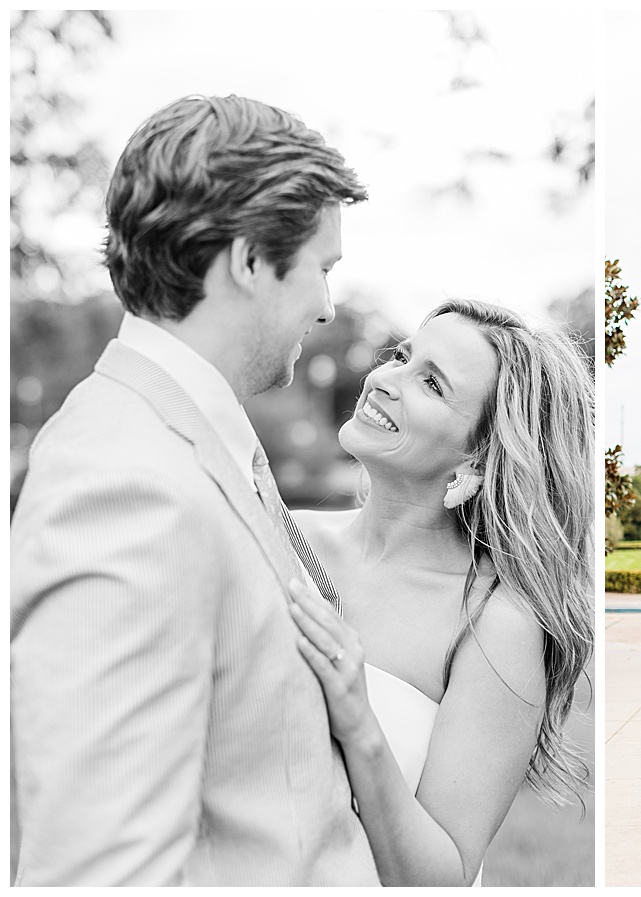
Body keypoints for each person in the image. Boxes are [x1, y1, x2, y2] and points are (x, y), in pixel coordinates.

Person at [10, 95, 378, 885]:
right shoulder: (125, 488)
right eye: (322, 268)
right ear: (249, 260)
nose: (327, 306)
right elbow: (101, 871)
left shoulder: (188, 438)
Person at [285, 298, 594, 886]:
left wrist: (359, 726)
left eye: (431, 383)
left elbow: (442, 878)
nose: (385, 380)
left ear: (477, 458)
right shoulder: (281, 537)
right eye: (403, 356)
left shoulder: (493, 624)